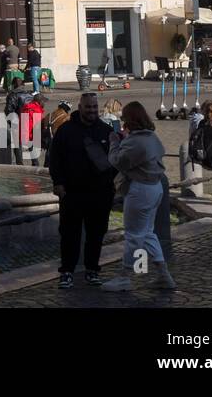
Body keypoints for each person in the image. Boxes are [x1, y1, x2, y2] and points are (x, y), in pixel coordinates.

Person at [104, 101, 176, 291]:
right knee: (148, 233)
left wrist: (114, 142)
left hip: (140, 190)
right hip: (155, 188)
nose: (122, 120)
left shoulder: (135, 141)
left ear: (131, 119)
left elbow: (118, 161)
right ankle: (164, 276)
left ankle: (124, 277)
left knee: (134, 235)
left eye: (124, 117)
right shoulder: (151, 136)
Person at [48, 93, 116, 289]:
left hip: (100, 193)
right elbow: (55, 159)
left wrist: (114, 185)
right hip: (72, 192)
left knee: (97, 234)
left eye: (95, 107)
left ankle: (92, 270)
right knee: (70, 234)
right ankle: (67, 272)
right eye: (88, 107)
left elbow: (116, 160)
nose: (92, 111)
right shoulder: (65, 130)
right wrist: (58, 183)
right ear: (80, 106)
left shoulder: (106, 130)